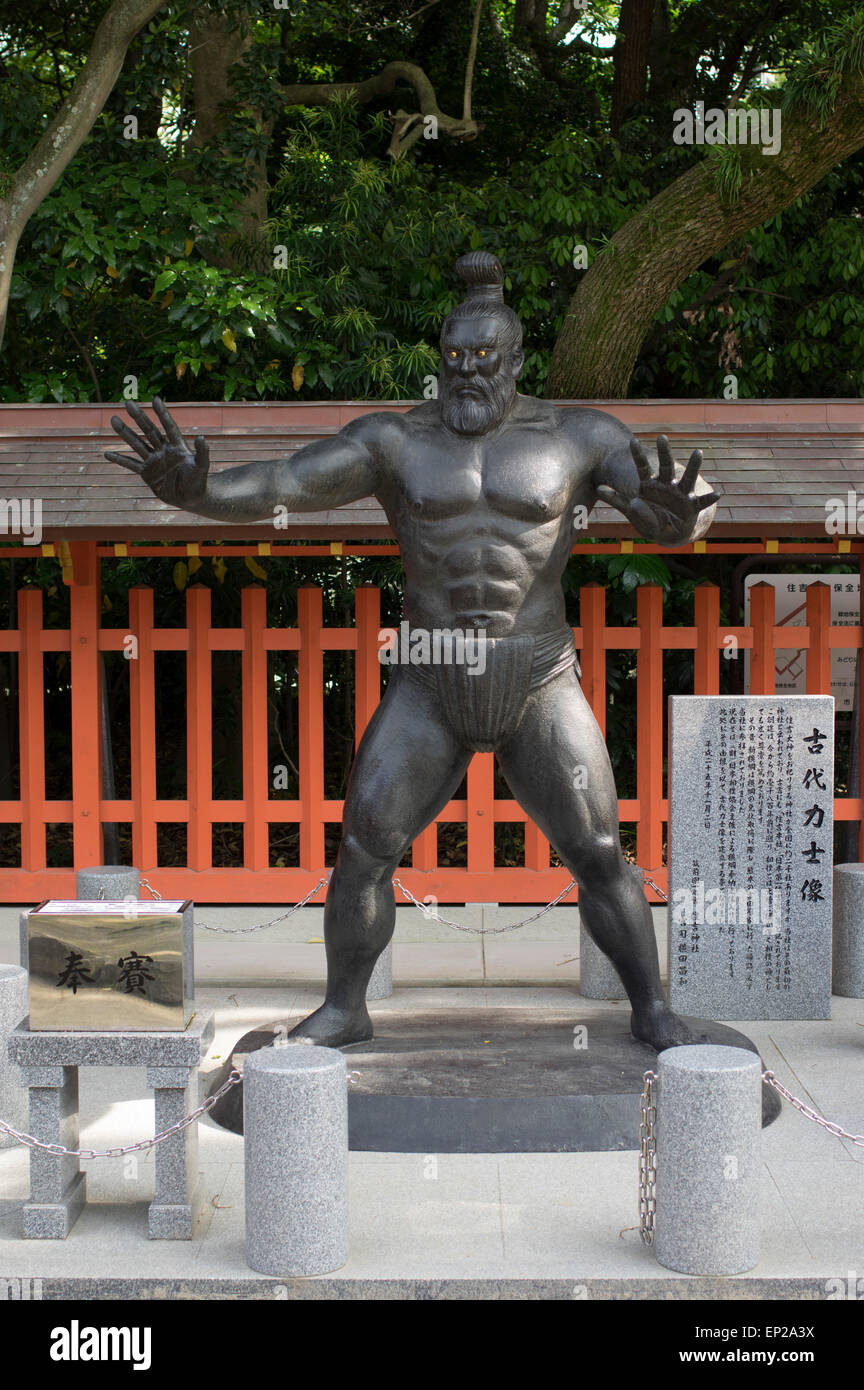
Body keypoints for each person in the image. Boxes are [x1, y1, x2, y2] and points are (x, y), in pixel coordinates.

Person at [107, 250, 718, 1051]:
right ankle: (345, 1007)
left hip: (536, 675)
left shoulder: (579, 436)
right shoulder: (396, 441)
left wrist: (679, 522)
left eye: (484, 360)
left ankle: (652, 1008)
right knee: (365, 844)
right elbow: (288, 482)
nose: (467, 375)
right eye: (454, 359)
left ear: (517, 360)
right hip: (431, 679)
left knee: (599, 850)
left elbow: (665, 500)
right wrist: (200, 494)